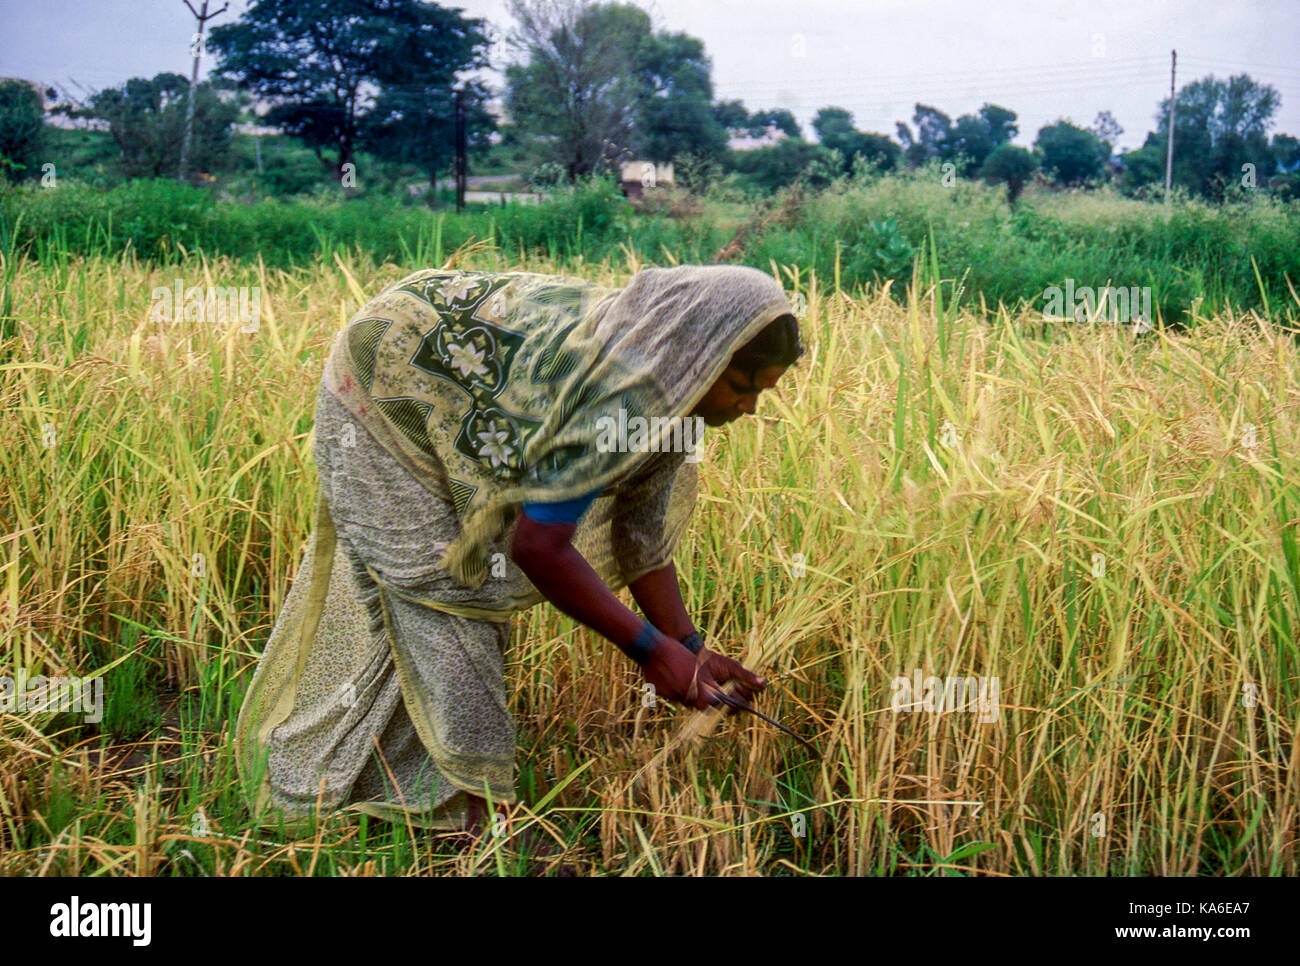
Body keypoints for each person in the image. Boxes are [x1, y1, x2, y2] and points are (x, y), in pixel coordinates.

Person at [233, 262, 804, 835]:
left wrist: (690, 647)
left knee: (440, 606)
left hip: (451, 384)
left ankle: (405, 781)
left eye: (762, 392)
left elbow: (640, 534)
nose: (749, 407)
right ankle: (475, 813)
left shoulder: (673, 388)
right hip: (386, 377)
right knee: (449, 590)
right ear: (701, 356)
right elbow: (540, 548)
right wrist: (650, 650)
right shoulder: (619, 394)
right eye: (742, 386)